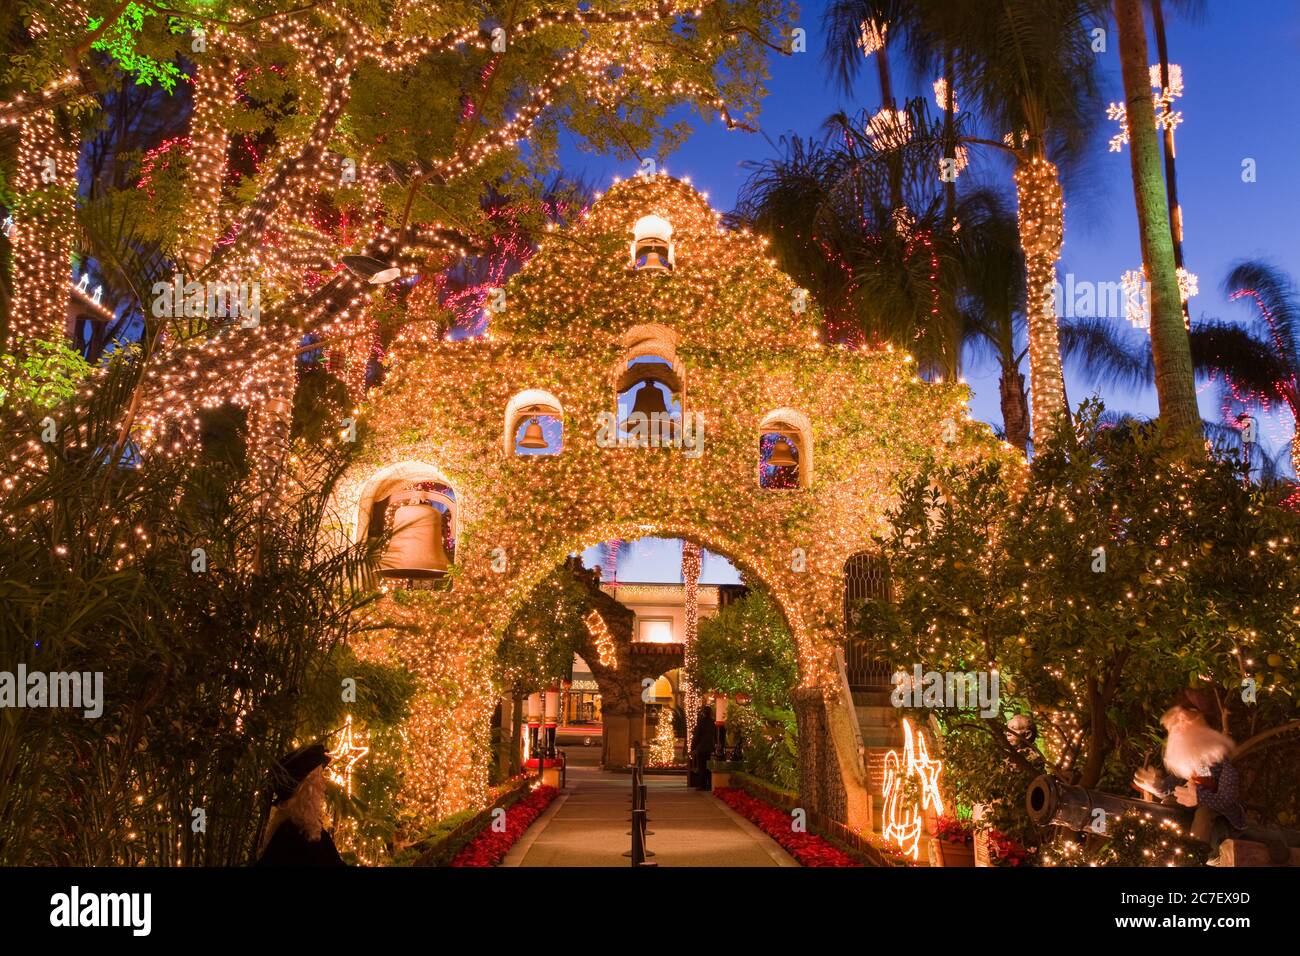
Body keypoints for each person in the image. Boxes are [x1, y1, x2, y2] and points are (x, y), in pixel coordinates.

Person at [1134, 689, 1297, 863]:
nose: (1179, 726)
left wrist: (1199, 798)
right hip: (1189, 819)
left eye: (1185, 719)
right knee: (1168, 803)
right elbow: (1170, 789)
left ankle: (1192, 860)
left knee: (1204, 812)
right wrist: (1156, 785)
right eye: (1174, 724)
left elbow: (1227, 799)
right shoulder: (1186, 766)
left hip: (1224, 822)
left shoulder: (1223, 765)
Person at [256, 742, 347, 866]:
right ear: (306, 789)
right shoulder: (297, 834)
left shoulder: (298, 829)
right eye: (319, 778)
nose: (323, 786)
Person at [689, 705, 716, 791]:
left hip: (702, 748)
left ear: (703, 713)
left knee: (702, 767)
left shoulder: (701, 723)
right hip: (710, 748)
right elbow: (715, 736)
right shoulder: (713, 723)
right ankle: (709, 784)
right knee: (709, 767)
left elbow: (697, 736)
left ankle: (702, 785)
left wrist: (692, 747)